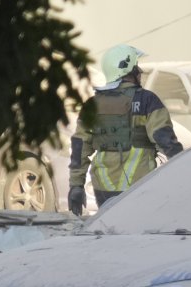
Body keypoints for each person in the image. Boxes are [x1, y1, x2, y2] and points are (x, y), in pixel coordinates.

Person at [68, 44, 183, 213]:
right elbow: (166, 141)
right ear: (126, 70)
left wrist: (76, 185)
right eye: (136, 67)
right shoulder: (147, 101)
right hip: (139, 187)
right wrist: (185, 168)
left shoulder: (92, 105)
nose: (140, 71)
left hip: (103, 189)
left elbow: (79, 147)